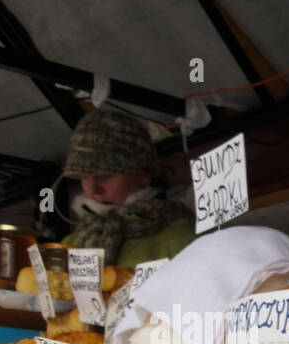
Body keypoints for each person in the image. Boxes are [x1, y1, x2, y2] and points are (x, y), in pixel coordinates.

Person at [59, 109, 195, 267]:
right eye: (83, 177)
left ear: (144, 176)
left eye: (105, 175)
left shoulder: (182, 241)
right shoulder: (68, 246)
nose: (91, 190)